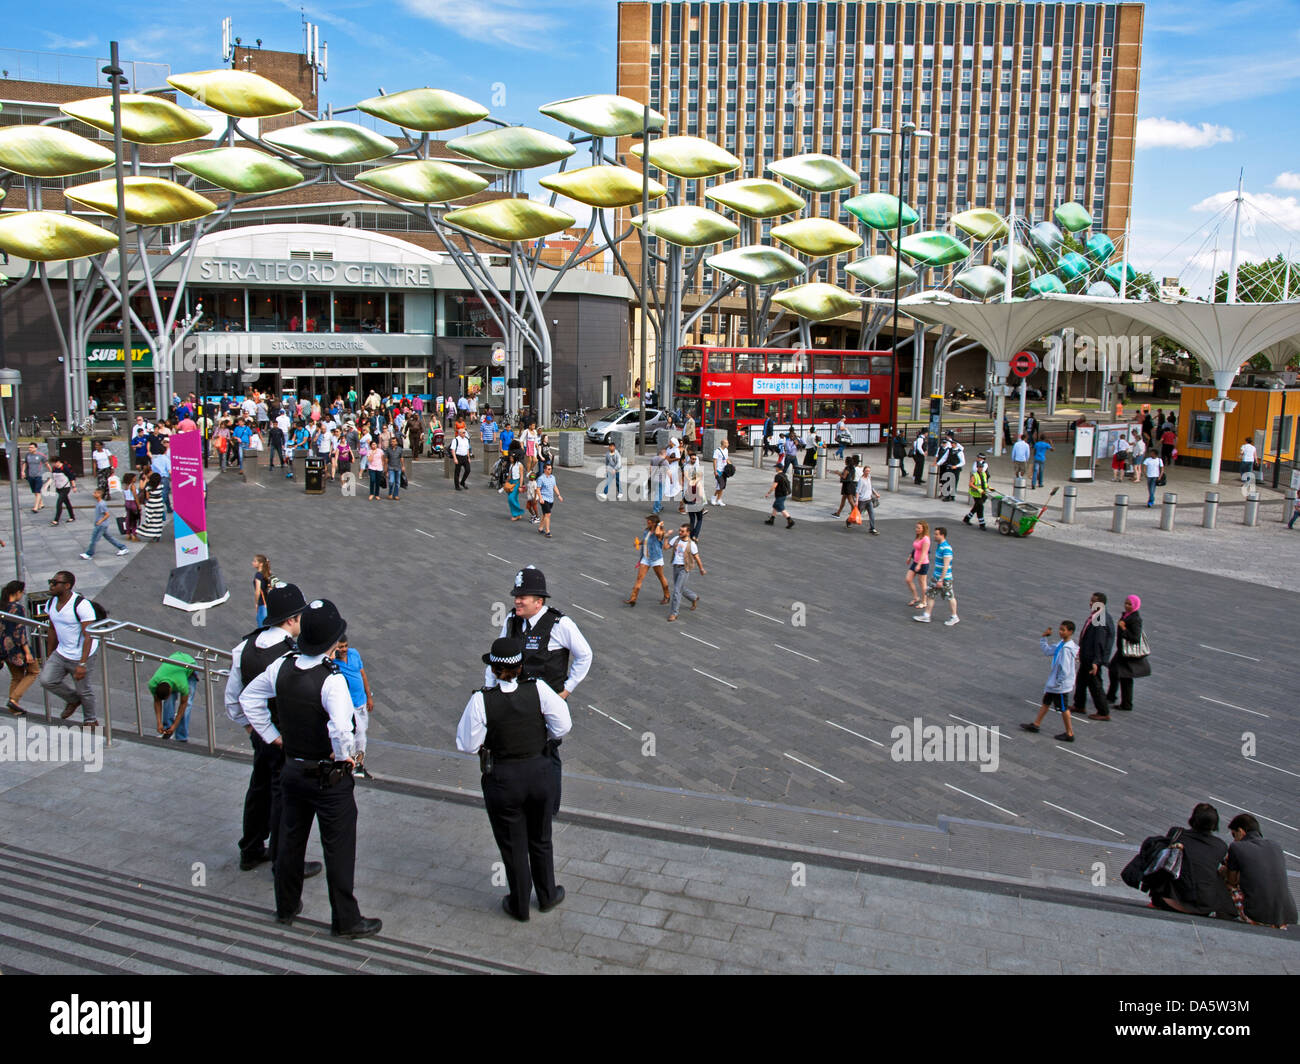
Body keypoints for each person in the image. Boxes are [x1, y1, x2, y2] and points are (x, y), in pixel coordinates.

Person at [241, 599, 382, 939]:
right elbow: (341, 729)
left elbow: (249, 699)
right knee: (338, 847)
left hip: (293, 768)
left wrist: (274, 737)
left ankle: (286, 906)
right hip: (327, 776)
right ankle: (345, 919)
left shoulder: (283, 667)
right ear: (333, 641)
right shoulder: (331, 680)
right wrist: (344, 756)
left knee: (291, 839)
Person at [458, 637, 571, 921]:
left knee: (513, 844)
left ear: (494, 670)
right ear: (521, 667)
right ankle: (547, 895)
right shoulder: (539, 690)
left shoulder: (481, 700)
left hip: (504, 779)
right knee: (541, 838)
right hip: (539, 773)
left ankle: (519, 903)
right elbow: (562, 726)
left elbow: (468, 744)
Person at [224, 584, 318, 878]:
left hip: (259, 735)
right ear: (291, 619)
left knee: (259, 788)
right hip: (285, 737)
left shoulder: (244, 648)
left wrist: (252, 728)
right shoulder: (293, 654)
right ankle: (284, 860)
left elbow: (233, 698)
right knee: (285, 797)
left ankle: (250, 849)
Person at [490, 567, 592, 814]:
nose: (516, 601)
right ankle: (525, 799)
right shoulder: (512, 621)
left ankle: (548, 806)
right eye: (516, 596)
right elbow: (498, 657)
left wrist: (566, 691)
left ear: (539, 601)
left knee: (547, 752)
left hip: (547, 705)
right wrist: (492, 691)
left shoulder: (559, 623)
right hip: (516, 701)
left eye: (522, 597)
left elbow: (585, 655)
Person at [1140, 804, 1235, 918]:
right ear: (1214, 824)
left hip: (1169, 901)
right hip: (1204, 907)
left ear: (1193, 819)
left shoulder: (1177, 834)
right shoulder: (1220, 846)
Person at [39, 571, 99, 729]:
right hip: (61, 652)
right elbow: (52, 628)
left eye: (55, 582)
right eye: (50, 581)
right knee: (47, 680)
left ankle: (91, 720)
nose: (51, 585)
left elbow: (89, 635)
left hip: (81, 654)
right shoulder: (51, 603)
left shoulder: (81, 605)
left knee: (83, 689)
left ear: (67, 586)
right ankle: (73, 699)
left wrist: (83, 663)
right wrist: (50, 653)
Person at [1222, 814, 1298, 928]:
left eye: (1234, 835)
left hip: (1258, 916)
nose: (1234, 839)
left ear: (1241, 831)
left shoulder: (1236, 847)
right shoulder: (1275, 846)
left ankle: (1222, 914)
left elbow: (1232, 881)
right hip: (1286, 916)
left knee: (1224, 875)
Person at [1020, 620, 1079, 743]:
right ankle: (1036, 724)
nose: (1060, 632)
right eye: (1060, 629)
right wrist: (1044, 638)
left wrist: (1059, 682)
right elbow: (1048, 651)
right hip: (1055, 683)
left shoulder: (1067, 649)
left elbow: (1065, 669)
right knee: (1046, 702)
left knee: (1063, 707)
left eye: (1063, 630)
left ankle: (1069, 733)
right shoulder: (1061, 644)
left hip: (1060, 685)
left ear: (1070, 631)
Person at [333, 636, 375, 780]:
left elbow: (363, 675)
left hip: (361, 701)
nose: (343, 649)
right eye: (340, 647)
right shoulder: (333, 662)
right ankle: (355, 765)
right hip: (349, 705)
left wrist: (368, 696)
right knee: (359, 733)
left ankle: (358, 764)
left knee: (361, 733)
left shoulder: (354, 654)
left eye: (345, 646)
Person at [1104, 594, 1150, 715]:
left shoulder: (1135, 619)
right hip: (1122, 651)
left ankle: (1126, 703)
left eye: (1130, 604)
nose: (1127, 606)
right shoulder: (1126, 615)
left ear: (1135, 606)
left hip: (1127, 654)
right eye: (1126, 603)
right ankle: (1112, 696)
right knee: (1114, 671)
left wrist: (1123, 629)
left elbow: (1135, 638)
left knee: (1125, 678)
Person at [1073, 592, 1115, 721]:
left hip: (1092, 658)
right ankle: (1079, 704)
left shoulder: (1099, 618)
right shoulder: (1097, 615)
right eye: (1091, 600)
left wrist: (1096, 661)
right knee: (1081, 680)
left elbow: (1099, 642)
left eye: (1094, 601)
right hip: (1088, 656)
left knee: (1095, 685)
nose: (1090, 603)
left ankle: (1103, 711)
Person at [1, 580, 38, 717]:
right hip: (17, 649)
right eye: (22, 592)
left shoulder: (1, 606)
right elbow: (19, 632)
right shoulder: (17, 608)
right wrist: (27, 651)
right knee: (33, 671)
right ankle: (13, 699)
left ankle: (13, 707)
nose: (22, 595)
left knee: (16, 676)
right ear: (17, 592)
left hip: (4, 649)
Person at [149, 651, 198, 742]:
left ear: (171, 690)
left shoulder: (181, 684)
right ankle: (167, 731)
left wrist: (174, 726)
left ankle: (181, 736)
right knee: (168, 701)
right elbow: (157, 701)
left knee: (188, 705)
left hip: (190, 666)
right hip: (174, 662)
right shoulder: (153, 683)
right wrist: (159, 723)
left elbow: (183, 704)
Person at [914, 527, 958, 625]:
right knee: (930, 595)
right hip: (936, 577)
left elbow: (946, 566)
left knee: (950, 597)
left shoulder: (946, 548)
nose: (934, 536)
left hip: (945, 579)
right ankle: (926, 616)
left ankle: (954, 616)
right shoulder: (939, 546)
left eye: (936, 534)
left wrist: (941, 580)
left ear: (942, 535)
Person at [665, 522, 705, 622]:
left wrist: (701, 568)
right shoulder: (676, 539)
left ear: (688, 532)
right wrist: (666, 537)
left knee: (676, 591)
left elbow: (697, 557)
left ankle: (674, 613)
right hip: (676, 567)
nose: (680, 532)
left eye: (682, 531)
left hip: (684, 569)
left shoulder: (691, 545)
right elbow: (665, 548)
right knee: (680, 588)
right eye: (679, 530)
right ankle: (694, 597)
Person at [626, 515, 670, 605]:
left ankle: (667, 596)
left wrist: (658, 525)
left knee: (661, 577)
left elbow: (657, 534)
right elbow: (646, 540)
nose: (647, 523)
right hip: (646, 558)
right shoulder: (647, 531)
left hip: (656, 559)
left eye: (649, 522)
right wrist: (639, 543)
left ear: (654, 523)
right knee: (639, 578)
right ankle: (633, 599)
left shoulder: (660, 531)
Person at [78, 488, 130, 560]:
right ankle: (123, 548)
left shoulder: (101, 504)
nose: (94, 494)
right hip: (102, 525)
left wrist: (100, 521)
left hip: (101, 525)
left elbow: (107, 514)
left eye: (95, 493)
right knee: (109, 538)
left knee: (94, 539)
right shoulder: (99, 503)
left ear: (99, 494)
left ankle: (89, 554)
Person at [904, 521, 930, 608]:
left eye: (919, 528)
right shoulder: (918, 537)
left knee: (922, 583)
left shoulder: (926, 539)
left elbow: (924, 553)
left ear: (923, 529)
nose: (917, 529)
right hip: (915, 561)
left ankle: (924, 601)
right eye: (916, 527)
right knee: (908, 579)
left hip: (923, 563)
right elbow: (915, 548)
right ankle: (916, 597)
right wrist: (910, 556)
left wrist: (919, 564)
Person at [964, 453, 990, 530]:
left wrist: (989, 487)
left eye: (981, 467)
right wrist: (978, 489)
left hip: (983, 493)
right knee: (980, 507)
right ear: (977, 468)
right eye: (979, 467)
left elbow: (984, 483)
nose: (981, 469)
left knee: (977, 507)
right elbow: (970, 484)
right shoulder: (974, 475)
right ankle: (982, 524)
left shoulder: (984, 474)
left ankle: (967, 518)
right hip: (976, 494)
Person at [138, 472, 167, 541]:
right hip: (159, 504)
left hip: (151, 504)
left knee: (150, 520)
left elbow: (147, 497)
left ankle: (146, 532)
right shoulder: (161, 486)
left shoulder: (148, 487)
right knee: (158, 521)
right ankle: (157, 535)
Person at [764, 465, 795, 529]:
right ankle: (771, 520)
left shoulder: (777, 476)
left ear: (778, 468)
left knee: (781, 508)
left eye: (776, 467)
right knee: (775, 506)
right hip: (784, 494)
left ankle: (790, 520)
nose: (775, 468)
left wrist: (768, 493)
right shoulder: (784, 475)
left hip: (780, 494)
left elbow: (774, 486)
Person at [536, 462, 561, 539]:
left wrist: (559, 495)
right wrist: (540, 498)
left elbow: (555, 487)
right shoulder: (541, 479)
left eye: (551, 469)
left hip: (551, 499)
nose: (550, 470)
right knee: (548, 514)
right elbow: (538, 489)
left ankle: (540, 528)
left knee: (545, 514)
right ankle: (547, 531)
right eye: (549, 469)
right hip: (544, 499)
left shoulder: (553, 477)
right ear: (545, 470)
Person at [24, 443, 51, 513]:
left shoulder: (41, 455)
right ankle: (41, 503)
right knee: (35, 491)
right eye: (29, 447)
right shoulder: (27, 455)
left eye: (32, 447)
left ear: (36, 448)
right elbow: (25, 463)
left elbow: (47, 464)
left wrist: (51, 472)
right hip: (30, 475)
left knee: (37, 491)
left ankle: (35, 507)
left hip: (39, 475)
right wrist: (22, 471)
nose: (30, 449)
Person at [853, 463, 879, 534]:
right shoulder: (861, 480)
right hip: (862, 500)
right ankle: (849, 521)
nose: (868, 472)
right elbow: (857, 491)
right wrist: (857, 501)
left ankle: (872, 528)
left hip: (869, 500)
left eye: (869, 471)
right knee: (858, 513)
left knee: (872, 514)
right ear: (863, 471)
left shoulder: (869, 477)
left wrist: (876, 493)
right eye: (866, 471)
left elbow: (871, 487)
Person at [49, 459, 76, 526]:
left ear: (58, 462)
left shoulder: (65, 468)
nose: (53, 465)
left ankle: (56, 520)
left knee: (59, 502)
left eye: (54, 463)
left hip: (65, 487)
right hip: (58, 487)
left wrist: (74, 486)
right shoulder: (54, 468)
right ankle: (72, 516)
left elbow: (71, 477)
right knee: (67, 502)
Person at [505, 450, 526, 521]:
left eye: (511, 458)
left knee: (511, 498)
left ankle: (517, 513)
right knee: (514, 498)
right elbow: (510, 474)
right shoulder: (511, 464)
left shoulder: (520, 465)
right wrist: (506, 481)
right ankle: (517, 514)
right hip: (511, 482)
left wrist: (520, 486)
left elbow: (522, 476)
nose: (510, 459)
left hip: (517, 482)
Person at [253, 555, 273, 628]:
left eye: (255, 561)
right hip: (268, 603)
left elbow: (257, 591)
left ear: (260, 564)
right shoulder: (267, 573)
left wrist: (256, 603)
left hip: (262, 603)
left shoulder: (258, 575)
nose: (253, 563)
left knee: (262, 626)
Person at [384, 433, 406, 501]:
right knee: (391, 482)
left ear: (396, 442)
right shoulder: (388, 449)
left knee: (397, 482)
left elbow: (401, 458)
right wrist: (386, 470)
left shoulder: (400, 449)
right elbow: (386, 460)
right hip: (391, 468)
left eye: (394, 441)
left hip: (398, 468)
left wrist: (403, 466)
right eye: (391, 441)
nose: (392, 442)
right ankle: (390, 493)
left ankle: (396, 495)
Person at [711, 438, 731, 506]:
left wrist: (731, 465)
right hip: (719, 470)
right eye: (727, 443)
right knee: (719, 486)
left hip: (724, 471)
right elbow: (714, 461)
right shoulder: (717, 451)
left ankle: (719, 500)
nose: (728, 444)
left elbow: (726, 459)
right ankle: (713, 498)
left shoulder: (726, 450)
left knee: (722, 486)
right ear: (724, 444)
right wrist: (715, 471)